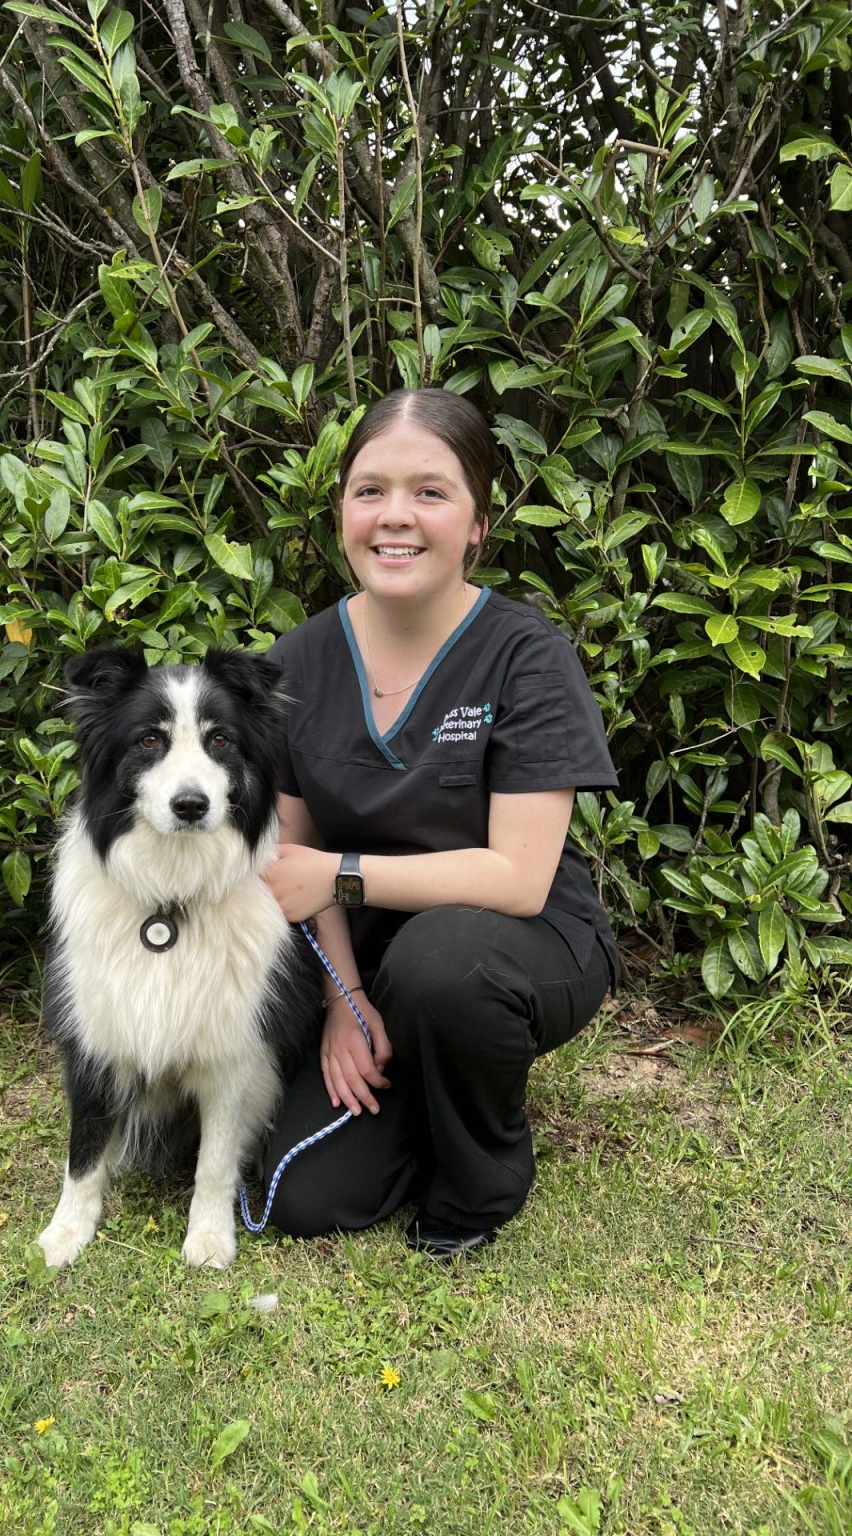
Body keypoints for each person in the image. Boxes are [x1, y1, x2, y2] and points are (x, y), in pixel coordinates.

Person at [261, 387, 618, 1258]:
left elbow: (517, 877)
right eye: (369, 490)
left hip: (520, 943)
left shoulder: (525, 654)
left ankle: (479, 1184)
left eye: (430, 492)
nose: (395, 517)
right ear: (341, 509)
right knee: (307, 1199)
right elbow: (291, 862)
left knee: (443, 966)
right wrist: (344, 1002)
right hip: (370, 959)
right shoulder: (293, 665)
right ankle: (418, 1086)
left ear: (477, 525)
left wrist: (345, 873)